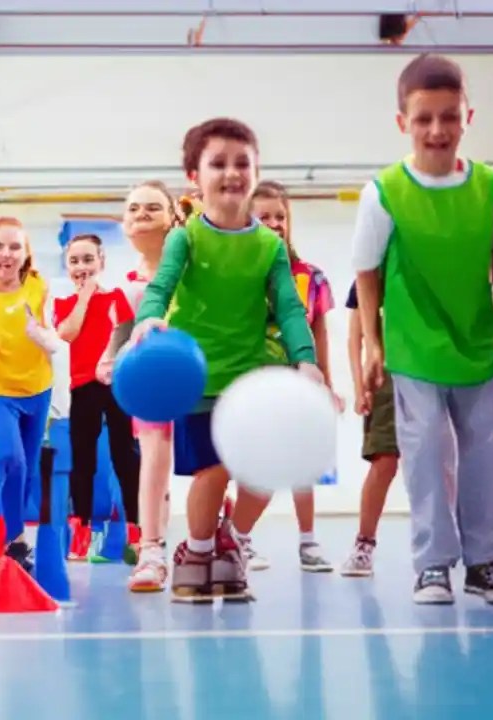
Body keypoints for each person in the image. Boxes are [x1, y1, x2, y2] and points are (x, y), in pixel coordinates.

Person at [353, 53, 493, 605]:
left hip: (476, 340)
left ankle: (489, 562)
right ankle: (432, 565)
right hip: (414, 342)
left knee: (489, 450)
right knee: (425, 448)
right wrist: (373, 343)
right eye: (424, 118)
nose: (437, 129)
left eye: (448, 117)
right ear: (403, 122)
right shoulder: (382, 191)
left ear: (466, 118)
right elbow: (367, 271)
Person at [131, 117, 321, 604]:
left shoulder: (270, 246)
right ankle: (196, 554)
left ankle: (230, 543)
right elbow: (161, 285)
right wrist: (149, 318)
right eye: (218, 163)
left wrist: (306, 359)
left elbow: (290, 307)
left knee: (265, 471)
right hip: (199, 377)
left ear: (256, 172)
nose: (232, 172)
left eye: (243, 163)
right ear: (194, 175)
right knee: (212, 473)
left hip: (252, 378)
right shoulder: (186, 237)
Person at [230, 180, 340, 573]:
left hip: (300, 383)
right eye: (265, 217)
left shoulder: (311, 276)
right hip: (254, 383)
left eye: (281, 216)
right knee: (255, 467)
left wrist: (326, 380)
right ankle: (239, 537)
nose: (275, 223)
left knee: (304, 463)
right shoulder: (241, 274)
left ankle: (308, 541)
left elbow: (320, 330)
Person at [98, 181, 182, 592]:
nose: (141, 214)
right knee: (154, 456)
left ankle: (225, 534)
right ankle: (152, 549)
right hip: (153, 381)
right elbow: (121, 326)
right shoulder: (127, 283)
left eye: (153, 207)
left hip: (203, 374)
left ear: (173, 219)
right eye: (133, 209)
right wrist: (107, 357)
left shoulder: (189, 271)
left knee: (209, 464)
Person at [0, 217, 58, 572]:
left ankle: (15, 539)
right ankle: (16, 538)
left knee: (30, 467)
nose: (6, 254)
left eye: (14, 247)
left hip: (38, 388)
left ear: (26, 254)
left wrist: (45, 335)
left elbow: (53, 334)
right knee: (11, 458)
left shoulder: (38, 287)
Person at [53, 233, 140, 563]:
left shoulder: (118, 298)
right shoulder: (64, 304)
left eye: (88, 259)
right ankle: (81, 531)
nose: (82, 266)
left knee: (125, 457)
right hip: (83, 387)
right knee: (83, 460)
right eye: (75, 261)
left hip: (116, 384)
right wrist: (85, 296)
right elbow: (68, 333)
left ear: (101, 262)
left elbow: (127, 336)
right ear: (67, 266)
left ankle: (136, 530)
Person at [338, 280, 401, 577]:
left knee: (443, 462)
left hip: (430, 371)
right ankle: (364, 544)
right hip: (385, 378)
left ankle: (455, 543)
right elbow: (355, 337)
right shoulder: (371, 272)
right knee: (384, 460)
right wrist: (359, 383)